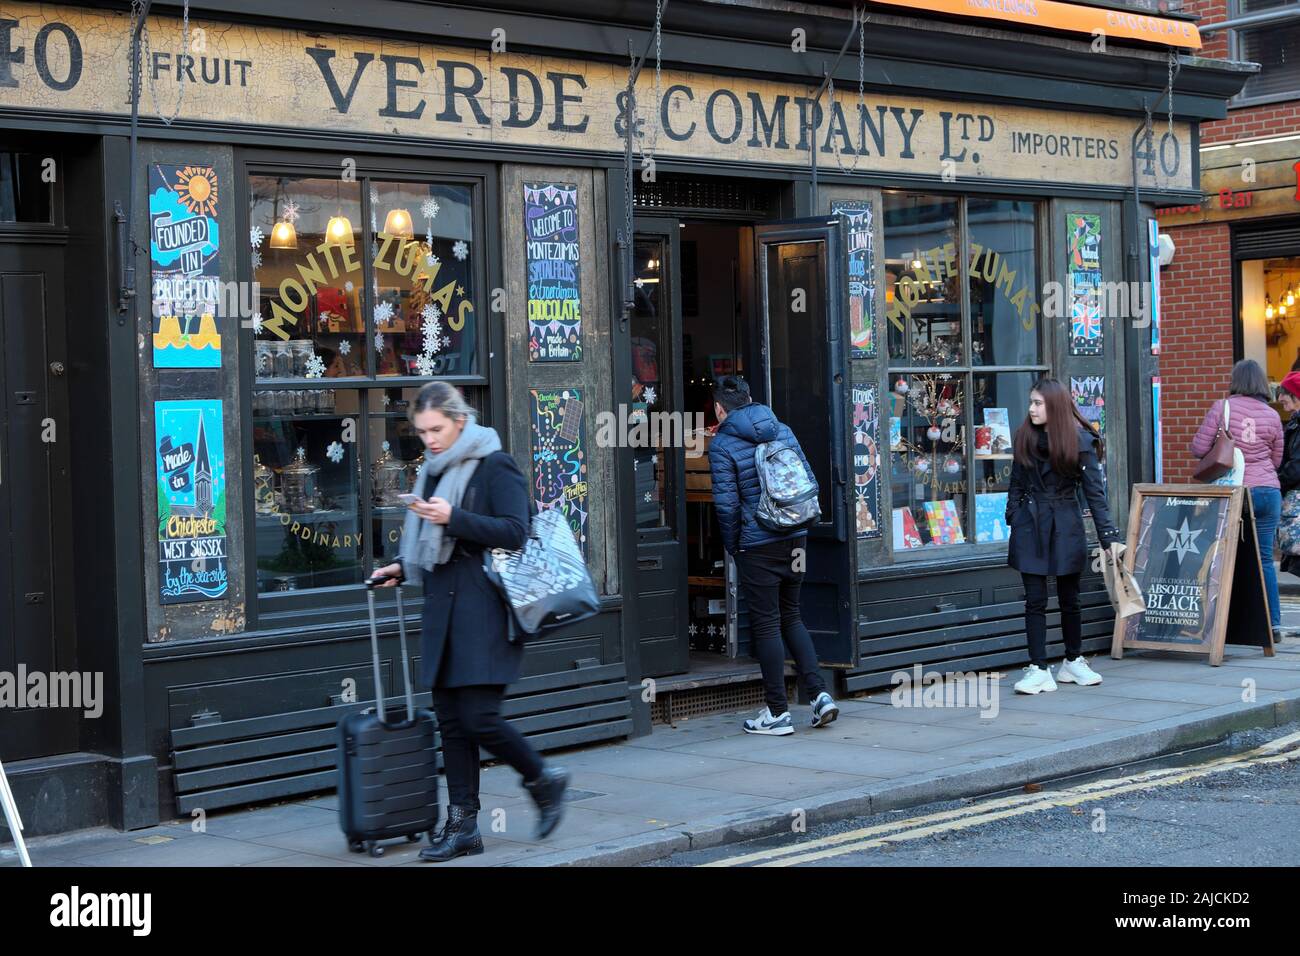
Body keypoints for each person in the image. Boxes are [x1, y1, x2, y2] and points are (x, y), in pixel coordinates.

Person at [373, 382, 568, 861]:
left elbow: (515, 531)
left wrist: (454, 517)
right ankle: (463, 826)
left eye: (436, 429)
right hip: (444, 611)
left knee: (479, 717)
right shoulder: (433, 473)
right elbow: (431, 543)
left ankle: (543, 780)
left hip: (486, 613)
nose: (429, 440)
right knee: (452, 725)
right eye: (421, 432)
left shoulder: (494, 464)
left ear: (460, 420)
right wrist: (402, 566)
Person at [708, 375, 840, 735]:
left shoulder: (722, 443)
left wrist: (735, 545)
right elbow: (808, 479)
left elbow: (726, 505)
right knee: (791, 616)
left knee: (766, 623)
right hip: (796, 537)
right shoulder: (781, 429)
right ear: (750, 399)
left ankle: (777, 712)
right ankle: (819, 695)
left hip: (758, 542)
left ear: (720, 409)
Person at [1006, 377, 1123, 695]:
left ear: (1054, 406)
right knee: (1035, 601)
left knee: (1070, 599)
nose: (1031, 409)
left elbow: (1095, 494)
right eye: (1031, 402)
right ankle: (1039, 668)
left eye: (1038, 403)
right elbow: (1016, 483)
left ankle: (1073, 661)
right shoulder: (1024, 437)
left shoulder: (1079, 441)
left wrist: (1108, 537)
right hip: (1030, 524)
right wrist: (1013, 517)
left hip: (1066, 524)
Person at [1191, 359, 1284, 641]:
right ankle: (1273, 626)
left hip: (1236, 491)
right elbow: (1277, 460)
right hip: (1268, 491)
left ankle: (1225, 624)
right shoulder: (1272, 415)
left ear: (1236, 380)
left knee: (1224, 556)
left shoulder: (1223, 408)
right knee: (1265, 560)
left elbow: (1198, 448)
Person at [1277, 371, 1300, 596]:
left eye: (1284, 393)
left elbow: (1296, 468)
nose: (1280, 398)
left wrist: (1276, 481)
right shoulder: (1295, 422)